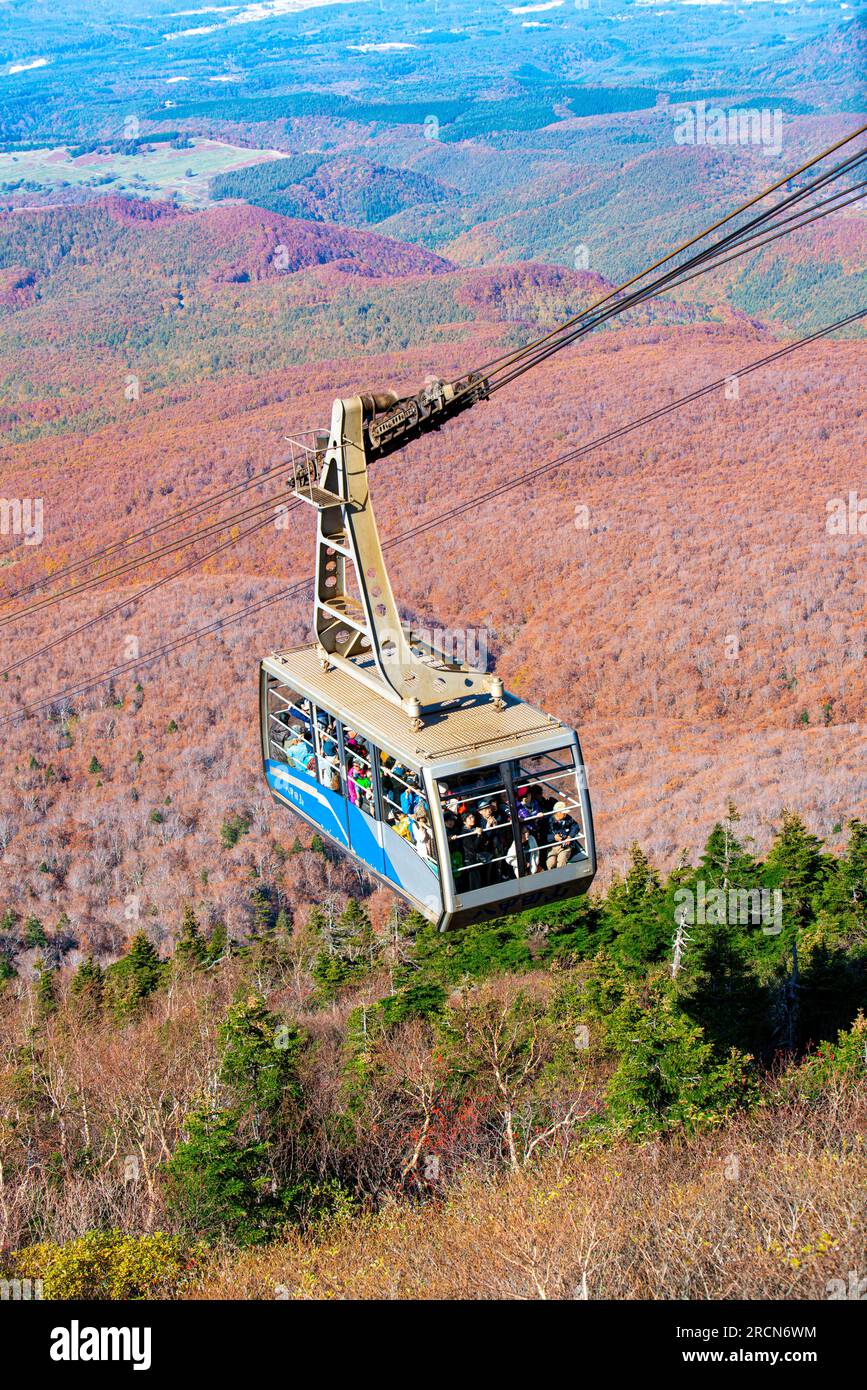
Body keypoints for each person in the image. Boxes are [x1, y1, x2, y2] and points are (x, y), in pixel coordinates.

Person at [546, 801, 581, 870]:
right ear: (557, 812)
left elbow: (576, 827)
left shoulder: (568, 818)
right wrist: (553, 837)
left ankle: (561, 877)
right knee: (550, 863)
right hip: (552, 847)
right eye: (563, 813)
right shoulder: (548, 821)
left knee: (561, 862)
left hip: (565, 846)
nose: (565, 814)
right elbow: (544, 835)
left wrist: (569, 837)